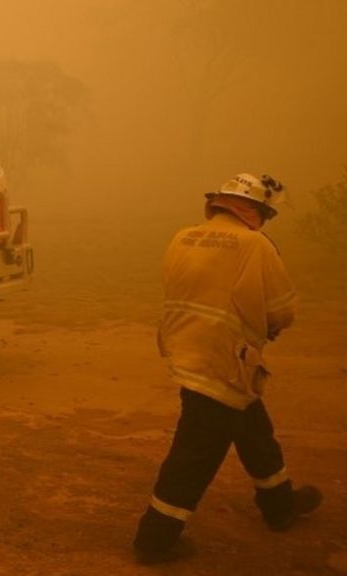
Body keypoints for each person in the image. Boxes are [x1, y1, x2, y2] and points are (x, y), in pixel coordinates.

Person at [133, 173, 322, 564]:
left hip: (186, 351)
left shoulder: (183, 236)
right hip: (225, 360)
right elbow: (282, 311)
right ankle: (155, 539)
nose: (265, 221)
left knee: (253, 427)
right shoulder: (256, 246)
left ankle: (279, 504)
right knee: (195, 452)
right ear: (252, 209)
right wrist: (266, 328)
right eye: (265, 213)